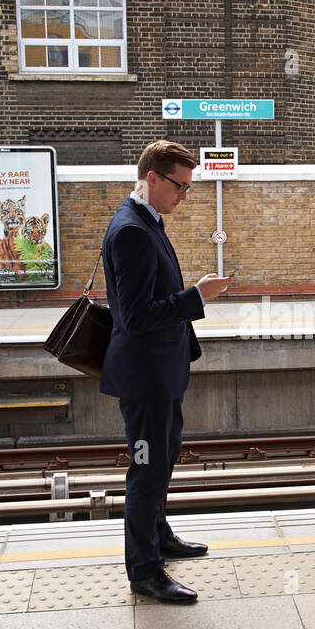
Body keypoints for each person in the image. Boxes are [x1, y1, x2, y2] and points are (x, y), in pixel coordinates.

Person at [100, 140, 231, 603]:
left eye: (189, 188)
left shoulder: (147, 219)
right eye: (180, 186)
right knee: (146, 470)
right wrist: (197, 296)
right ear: (152, 178)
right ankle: (145, 571)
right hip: (145, 377)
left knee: (163, 460)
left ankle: (159, 537)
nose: (185, 195)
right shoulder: (131, 230)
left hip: (161, 371)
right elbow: (136, 317)